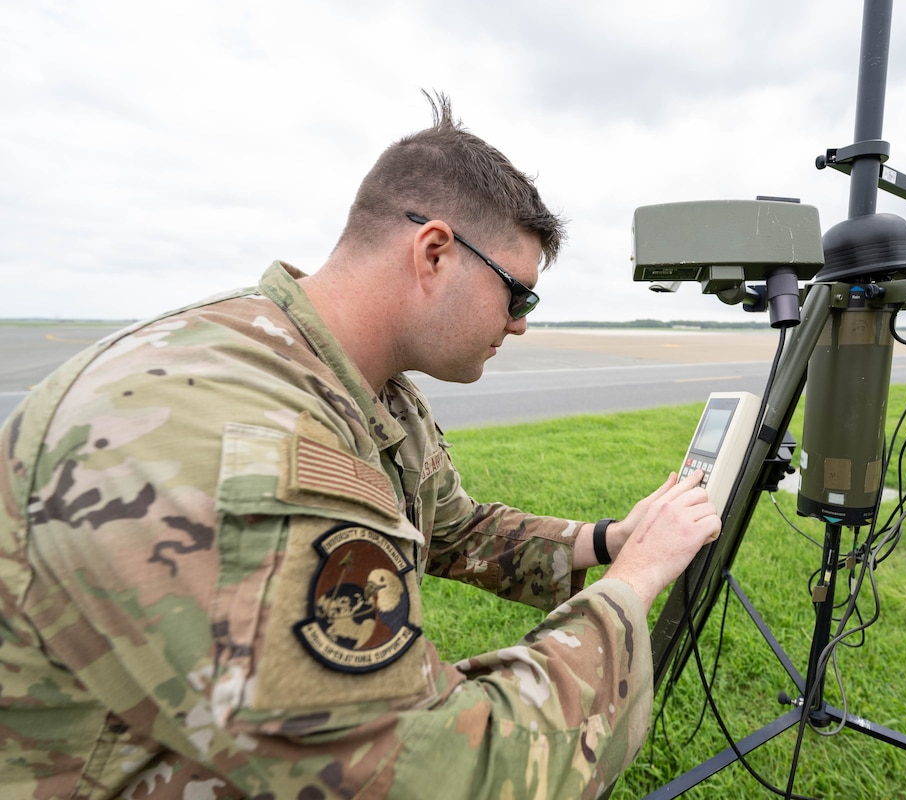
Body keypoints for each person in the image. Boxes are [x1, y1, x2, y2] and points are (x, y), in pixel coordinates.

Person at [0, 93, 720, 799]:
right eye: (517, 295)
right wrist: (639, 582)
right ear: (435, 252)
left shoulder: (362, 383)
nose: (522, 323)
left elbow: (453, 529)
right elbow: (437, 774)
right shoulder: (240, 438)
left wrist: (609, 540)